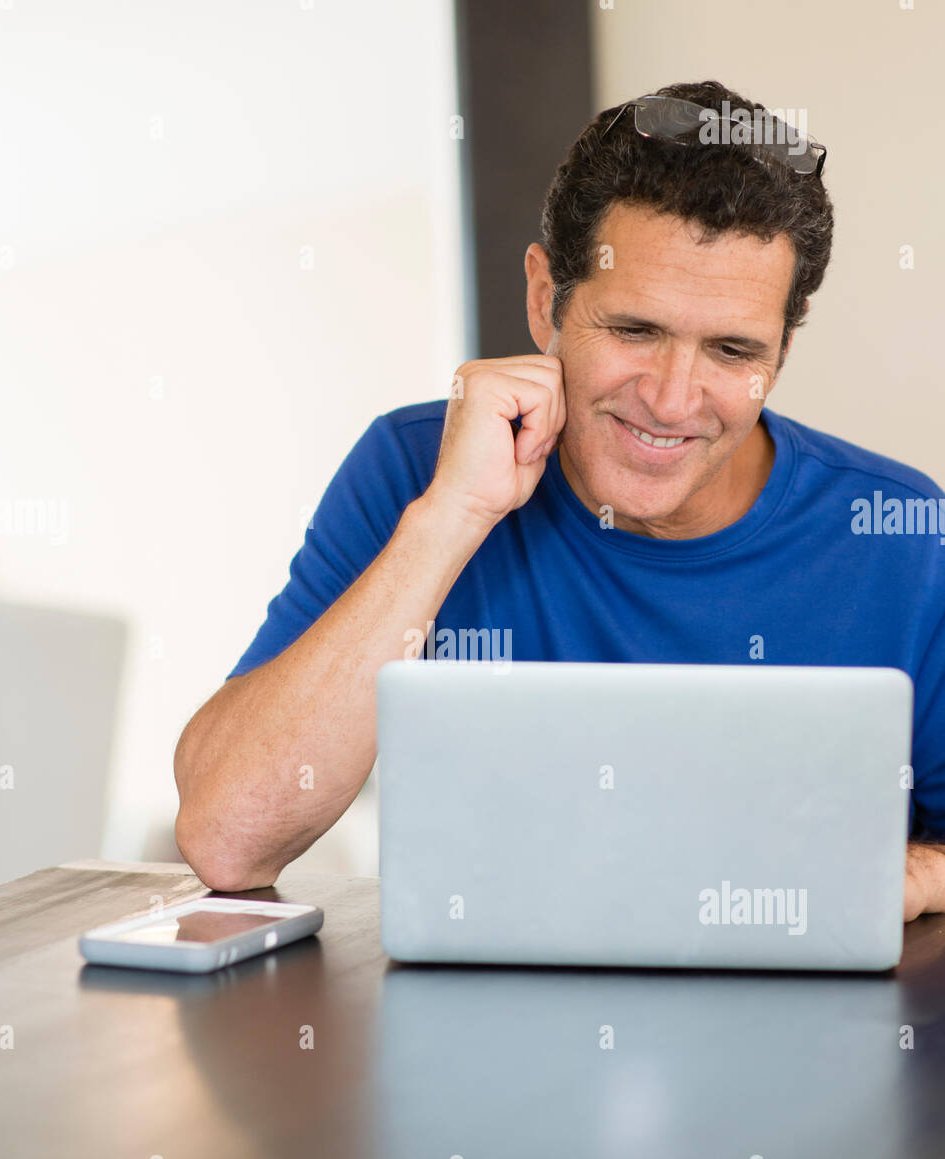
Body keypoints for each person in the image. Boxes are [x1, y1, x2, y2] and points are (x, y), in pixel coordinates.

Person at [173, 78, 945, 921]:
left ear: (781, 352)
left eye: (730, 350)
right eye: (634, 331)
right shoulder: (413, 470)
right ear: (546, 298)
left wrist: (923, 875)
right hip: (478, 1031)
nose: (672, 398)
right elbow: (229, 837)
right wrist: (450, 519)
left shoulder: (902, 537)